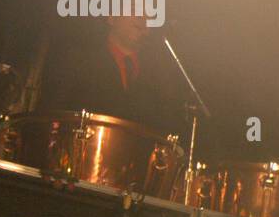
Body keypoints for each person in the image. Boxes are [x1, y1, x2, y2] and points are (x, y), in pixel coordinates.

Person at [39, 11, 185, 136]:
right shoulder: (79, 61)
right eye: (134, 9)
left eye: (149, 15)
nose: (142, 17)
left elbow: (166, 126)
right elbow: (50, 114)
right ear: (111, 18)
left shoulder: (159, 76)